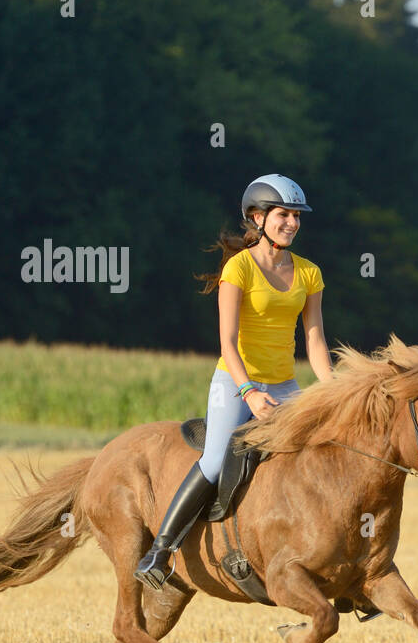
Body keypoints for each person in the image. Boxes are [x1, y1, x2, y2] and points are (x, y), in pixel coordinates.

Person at [135, 174, 334, 589]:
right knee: (212, 461)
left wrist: (333, 389)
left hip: (284, 386)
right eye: (283, 215)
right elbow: (227, 343)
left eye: (297, 216)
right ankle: (161, 551)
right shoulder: (238, 267)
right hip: (236, 382)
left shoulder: (310, 273)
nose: (292, 223)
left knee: (319, 451)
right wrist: (250, 393)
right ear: (258, 217)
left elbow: (314, 339)